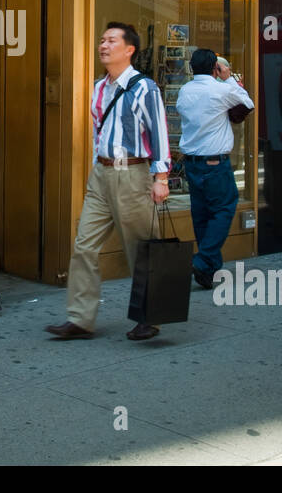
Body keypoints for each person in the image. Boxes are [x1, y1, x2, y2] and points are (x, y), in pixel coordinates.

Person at [46, 23, 171, 341]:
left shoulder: (145, 88)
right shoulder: (98, 88)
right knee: (84, 245)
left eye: (111, 40)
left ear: (129, 49)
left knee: (141, 249)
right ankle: (80, 318)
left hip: (132, 174)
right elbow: (97, 133)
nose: (103, 45)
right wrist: (94, 167)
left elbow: (159, 134)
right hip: (101, 175)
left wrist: (161, 178)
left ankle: (150, 316)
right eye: (102, 40)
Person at [175, 48, 253, 289]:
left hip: (192, 162)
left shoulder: (184, 90)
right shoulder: (220, 88)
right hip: (214, 163)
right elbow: (247, 103)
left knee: (201, 214)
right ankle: (203, 259)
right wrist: (228, 77)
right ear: (214, 68)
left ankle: (208, 270)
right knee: (224, 209)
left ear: (191, 68)